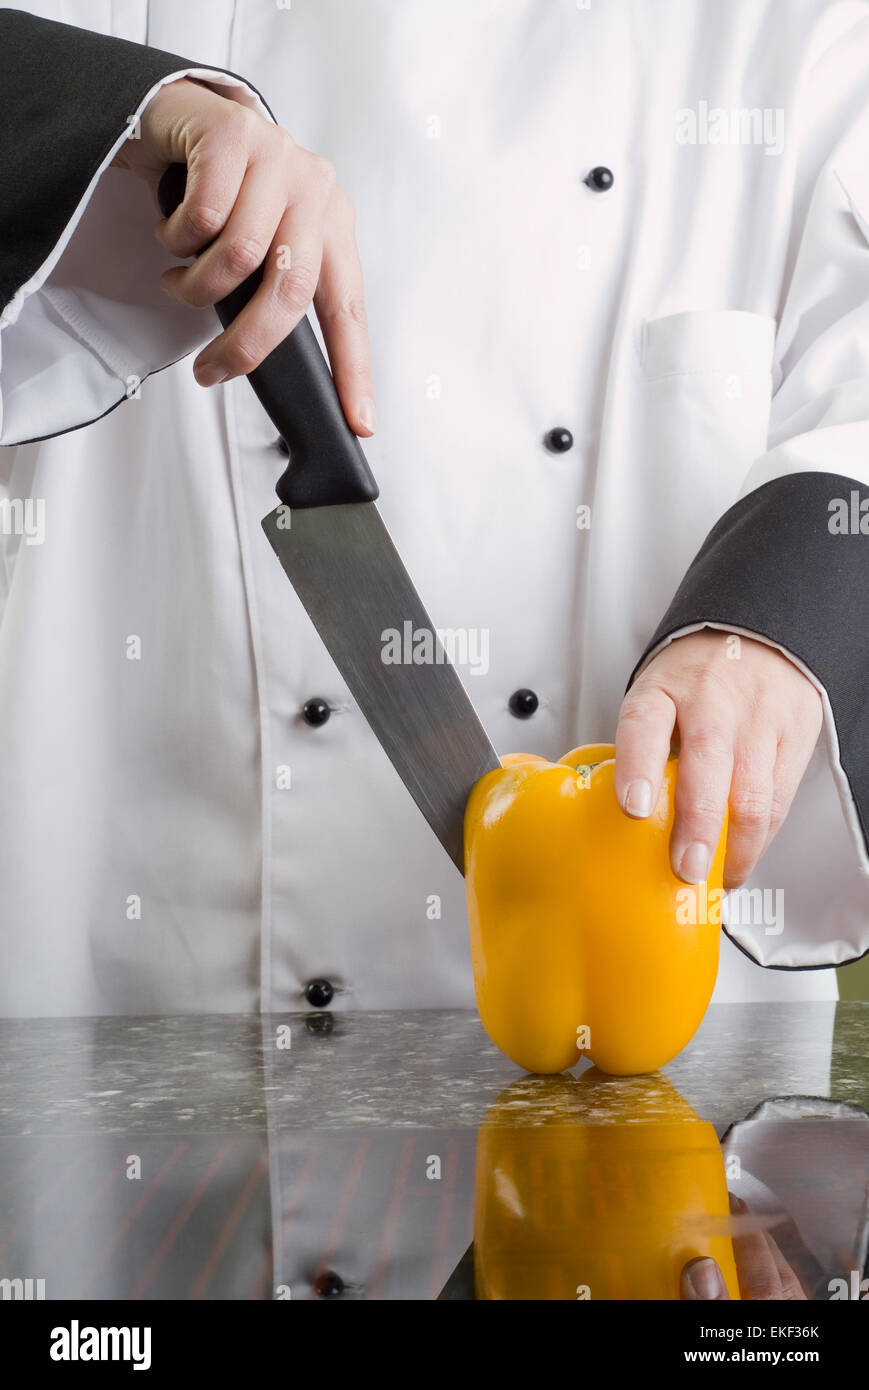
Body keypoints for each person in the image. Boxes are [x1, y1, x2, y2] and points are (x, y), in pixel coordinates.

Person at [1, 0, 868, 1018]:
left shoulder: (800, 29)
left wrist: (775, 622)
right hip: (162, 985)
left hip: (654, 1028)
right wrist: (128, 112)